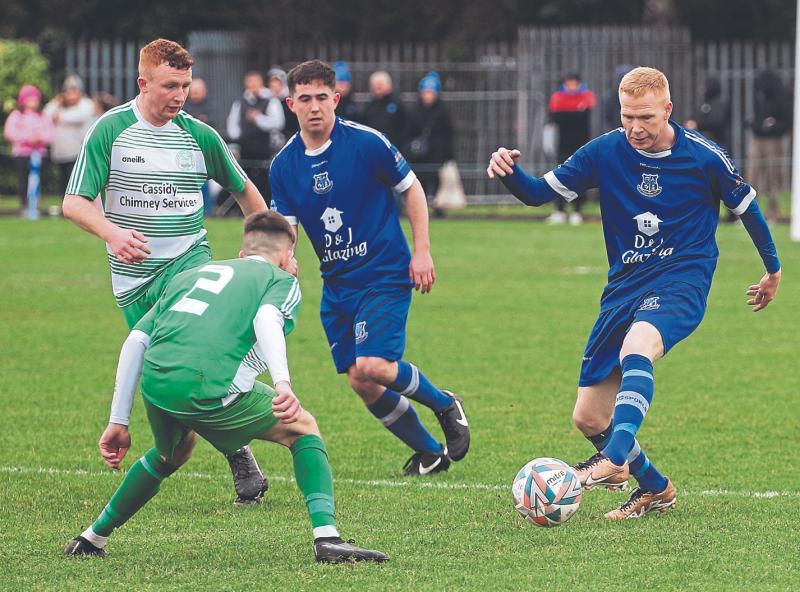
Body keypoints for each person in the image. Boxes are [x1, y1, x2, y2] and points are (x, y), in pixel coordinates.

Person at [487, 67, 781, 519]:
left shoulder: (705, 157)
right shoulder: (606, 150)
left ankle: (614, 458)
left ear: (668, 109)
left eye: (645, 117)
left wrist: (772, 270)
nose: (635, 128)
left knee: (637, 345)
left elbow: (749, 209)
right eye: (627, 117)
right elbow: (536, 193)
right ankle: (656, 488)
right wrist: (509, 172)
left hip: (684, 278)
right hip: (624, 287)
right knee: (588, 417)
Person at [63, 211, 388, 563]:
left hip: (157, 384)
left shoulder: (191, 275)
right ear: (287, 253)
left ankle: (91, 538)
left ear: (243, 251)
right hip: (207, 385)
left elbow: (137, 341)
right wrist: (283, 385)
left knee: (171, 454)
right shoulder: (280, 279)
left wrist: (118, 420)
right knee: (303, 427)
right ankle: (328, 539)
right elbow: (267, 318)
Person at [61, 38, 270, 506]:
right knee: (172, 386)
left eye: (186, 85)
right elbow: (74, 203)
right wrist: (113, 234)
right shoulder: (110, 131)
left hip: (190, 264)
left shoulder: (199, 135)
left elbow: (247, 193)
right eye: (170, 86)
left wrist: (267, 250)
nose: (179, 95)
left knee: (196, 359)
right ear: (143, 83)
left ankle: (239, 451)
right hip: (133, 279)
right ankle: (232, 444)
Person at [270, 60, 470, 476]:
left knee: (376, 364)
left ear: (336, 99)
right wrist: (283, 260)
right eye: (304, 99)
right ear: (291, 103)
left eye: (322, 98)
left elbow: (412, 190)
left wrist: (422, 252)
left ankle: (445, 403)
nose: (314, 107)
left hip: (384, 272)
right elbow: (283, 232)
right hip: (337, 285)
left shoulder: (367, 142)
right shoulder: (283, 166)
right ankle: (431, 454)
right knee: (361, 380)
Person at [546, 73, 596, 225]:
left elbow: (583, 117)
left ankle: (577, 211)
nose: (572, 86)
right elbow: (556, 118)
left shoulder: (587, 95)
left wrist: (567, 115)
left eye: (574, 82)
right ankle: (560, 211)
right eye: (569, 82)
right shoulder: (557, 97)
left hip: (582, 145)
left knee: (580, 177)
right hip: (563, 145)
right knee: (560, 176)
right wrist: (575, 113)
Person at [226, 70, 285, 198]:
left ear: (261, 83)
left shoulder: (271, 100)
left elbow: (278, 122)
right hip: (246, 147)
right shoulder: (240, 101)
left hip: (265, 148)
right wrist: (237, 137)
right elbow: (232, 123)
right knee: (246, 178)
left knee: (264, 179)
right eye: (250, 82)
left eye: (255, 82)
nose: (252, 85)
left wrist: (258, 119)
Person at [3, 84, 55, 216]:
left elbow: (51, 132)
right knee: (23, 179)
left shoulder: (43, 116)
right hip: (22, 153)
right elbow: (9, 132)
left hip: (38, 154)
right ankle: (24, 205)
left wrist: (40, 138)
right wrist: (27, 138)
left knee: (37, 179)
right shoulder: (16, 115)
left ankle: (35, 204)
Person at [748, 67, 791, 225]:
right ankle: (750, 215)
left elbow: (786, 122)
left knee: (773, 178)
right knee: (752, 177)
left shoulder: (781, 97)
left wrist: (773, 126)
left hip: (774, 141)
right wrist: (755, 124)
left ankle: (773, 214)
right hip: (758, 139)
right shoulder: (759, 95)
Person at [404, 72, 455, 205]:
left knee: (437, 181)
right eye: (426, 92)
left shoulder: (443, 111)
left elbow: (448, 134)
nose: (428, 95)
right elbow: (408, 132)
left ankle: (438, 206)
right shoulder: (414, 111)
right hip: (419, 155)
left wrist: (449, 155)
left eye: (431, 92)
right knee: (420, 181)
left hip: (437, 154)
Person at [44, 74, 96, 195]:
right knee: (63, 183)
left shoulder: (86, 104)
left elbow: (80, 116)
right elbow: (46, 115)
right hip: (60, 153)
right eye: (68, 91)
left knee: (75, 184)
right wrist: (56, 101)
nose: (71, 95)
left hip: (77, 152)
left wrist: (59, 117)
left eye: (74, 91)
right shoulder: (60, 105)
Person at [360, 70, 406, 147]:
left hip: (393, 148)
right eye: (375, 84)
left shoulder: (397, 105)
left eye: (381, 84)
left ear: (389, 85)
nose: (378, 87)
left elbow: (403, 128)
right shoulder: (368, 107)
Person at [267, 67, 298, 139]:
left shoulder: (290, 98)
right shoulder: (267, 99)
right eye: (272, 83)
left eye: (276, 82)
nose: (274, 85)